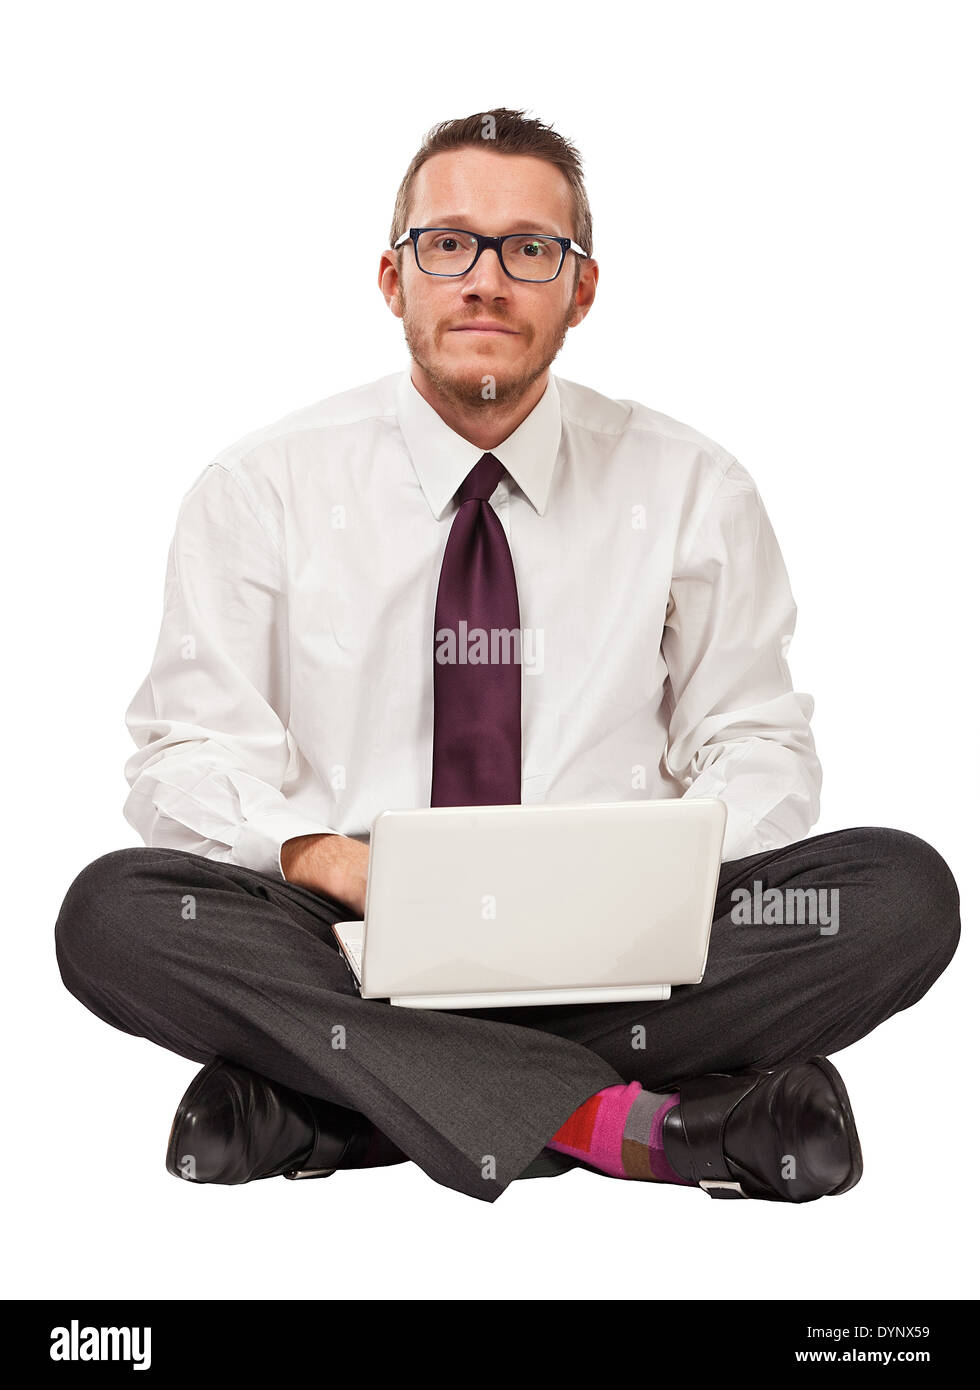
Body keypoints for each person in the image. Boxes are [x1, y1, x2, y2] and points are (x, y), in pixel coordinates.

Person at [53, 107, 960, 1204]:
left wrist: (648, 876)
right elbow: (186, 755)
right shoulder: (259, 489)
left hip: (620, 947)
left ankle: (332, 1107)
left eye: (529, 249)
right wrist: (318, 857)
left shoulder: (689, 486)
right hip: (348, 936)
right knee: (115, 915)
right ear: (393, 279)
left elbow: (753, 739)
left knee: (898, 893)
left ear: (580, 289)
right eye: (449, 244)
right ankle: (646, 1126)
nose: (484, 279)